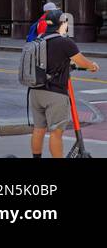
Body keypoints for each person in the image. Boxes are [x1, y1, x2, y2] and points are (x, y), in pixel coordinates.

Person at [29, 10, 99, 159]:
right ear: (61, 24)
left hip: (35, 92)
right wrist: (92, 66)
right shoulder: (64, 42)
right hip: (55, 94)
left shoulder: (39, 39)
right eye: (66, 22)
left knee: (39, 129)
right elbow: (81, 61)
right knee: (56, 132)